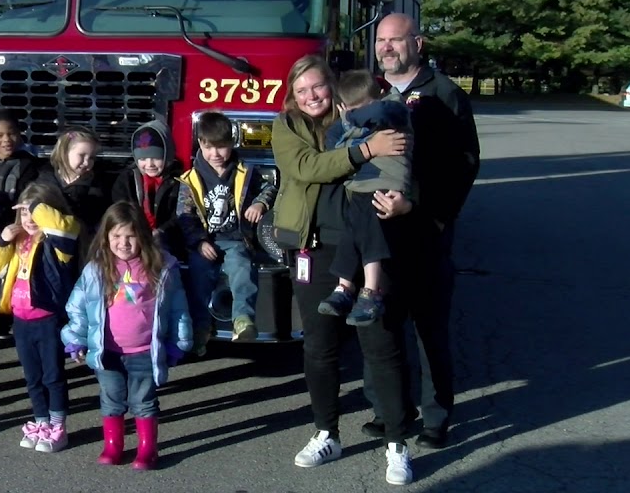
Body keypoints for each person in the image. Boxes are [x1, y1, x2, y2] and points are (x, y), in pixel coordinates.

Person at [269, 54, 415, 485]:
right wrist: (365, 150)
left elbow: (407, 157)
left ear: (331, 86)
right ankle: (326, 433)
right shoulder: (286, 127)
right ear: (292, 96)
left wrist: (405, 201)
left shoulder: (361, 111)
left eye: (317, 86)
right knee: (319, 347)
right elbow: (305, 168)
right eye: (301, 90)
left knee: (381, 344)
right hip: (314, 249)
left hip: (368, 247)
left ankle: (396, 442)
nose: (311, 95)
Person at [360, 13, 481, 451]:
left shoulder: (445, 94)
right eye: (381, 40)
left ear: (418, 43)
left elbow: (465, 165)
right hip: (378, 238)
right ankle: (388, 410)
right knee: (382, 327)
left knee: (428, 330)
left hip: (426, 233)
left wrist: (420, 208)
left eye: (396, 40)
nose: (387, 47)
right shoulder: (371, 92)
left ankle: (435, 417)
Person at [61, 202, 192, 471]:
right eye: (116, 236)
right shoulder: (96, 268)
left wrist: (179, 343)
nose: (123, 243)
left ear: (142, 235)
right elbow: (78, 306)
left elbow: (178, 307)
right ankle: (113, 445)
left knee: (143, 401)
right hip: (107, 350)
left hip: (145, 350)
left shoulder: (161, 266)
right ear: (106, 237)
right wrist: (76, 338)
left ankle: (147, 449)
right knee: (111, 398)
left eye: (130, 236)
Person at [0, 183, 81, 453]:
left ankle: (58, 427)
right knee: (33, 377)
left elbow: (64, 227)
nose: (29, 219)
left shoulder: (60, 241)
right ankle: (41, 422)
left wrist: (39, 210)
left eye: (35, 213)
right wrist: (3, 240)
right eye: (24, 213)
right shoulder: (19, 240)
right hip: (21, 320)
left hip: (48, 318)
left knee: (53, 376)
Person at [317, 70, 414, 326]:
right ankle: (344, 289)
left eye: (363, 107)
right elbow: (331, 146)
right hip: (362, 184)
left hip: (386, 181)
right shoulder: (345, 120)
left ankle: (370, 291)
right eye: (351, 108)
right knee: (352, 232)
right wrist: (346, 121)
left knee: (369, 230)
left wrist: (350, 115)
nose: (357, 113)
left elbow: (378, 113)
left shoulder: (394, 108)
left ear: (379, 95)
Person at [176, 111, 277, 349]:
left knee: (242, 270)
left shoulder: (245, 172)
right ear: (200, 143)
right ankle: (201, 327)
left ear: (232, 143)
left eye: (222, 147)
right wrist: (200, 242)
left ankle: (243, 320)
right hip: (205, 242)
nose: (216, 154)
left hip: (236, 240)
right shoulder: (190, 179)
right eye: (210, 147)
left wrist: (259, 203)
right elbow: (185, 217)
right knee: (198, 278)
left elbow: (268, 188)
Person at [0, 108, 43, 339]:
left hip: (14, 229)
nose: (6, 140)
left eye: (12, 134)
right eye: (0, 135)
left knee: (8, 274)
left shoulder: (28, 165)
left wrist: (18, 229)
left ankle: (3, 318)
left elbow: (26, 198)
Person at [111, 120, 184, 258]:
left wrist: (162, 232)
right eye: (143, 158)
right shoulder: (127, 180)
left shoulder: (179, 181)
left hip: (165, 239)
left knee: (161, 259)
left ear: (167, 155)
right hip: (131, 236)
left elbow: (181, 215)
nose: (149, 164)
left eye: (156, 158)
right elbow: (119, 211)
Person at [37, 126, 107, 232]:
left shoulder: (95, 188)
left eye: (91, 157)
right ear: (64, 153)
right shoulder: (44, 180)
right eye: (81, 155)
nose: (87, 162)